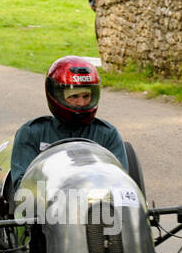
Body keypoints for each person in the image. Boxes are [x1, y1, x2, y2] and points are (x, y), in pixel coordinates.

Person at [8, 57, 127, 191]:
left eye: (86, 96)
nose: (81, 103)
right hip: (46, 207)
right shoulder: (32, 133)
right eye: (74, 96)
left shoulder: (107, 135)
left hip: (97, 207)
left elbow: (120, 185)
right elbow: (23, 190)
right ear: (55, 95)